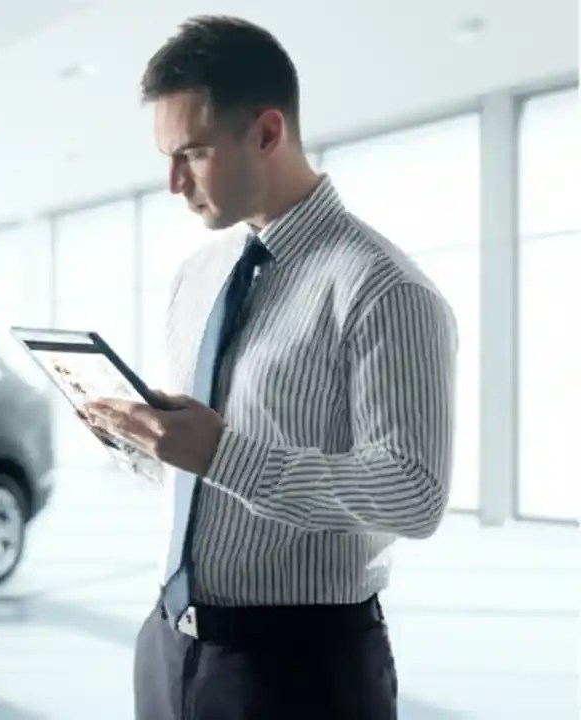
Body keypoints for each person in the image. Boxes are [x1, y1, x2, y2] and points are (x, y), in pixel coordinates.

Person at [82, 15, 457, 720]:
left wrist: (225, 455)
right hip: (167, 647)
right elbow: (199, 468)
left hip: (299, 672)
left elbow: (414, 491)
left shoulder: (383, 289)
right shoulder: (197, 276)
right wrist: (138, 439)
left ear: (266, 133)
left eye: (191, 153)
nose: (173, 183)